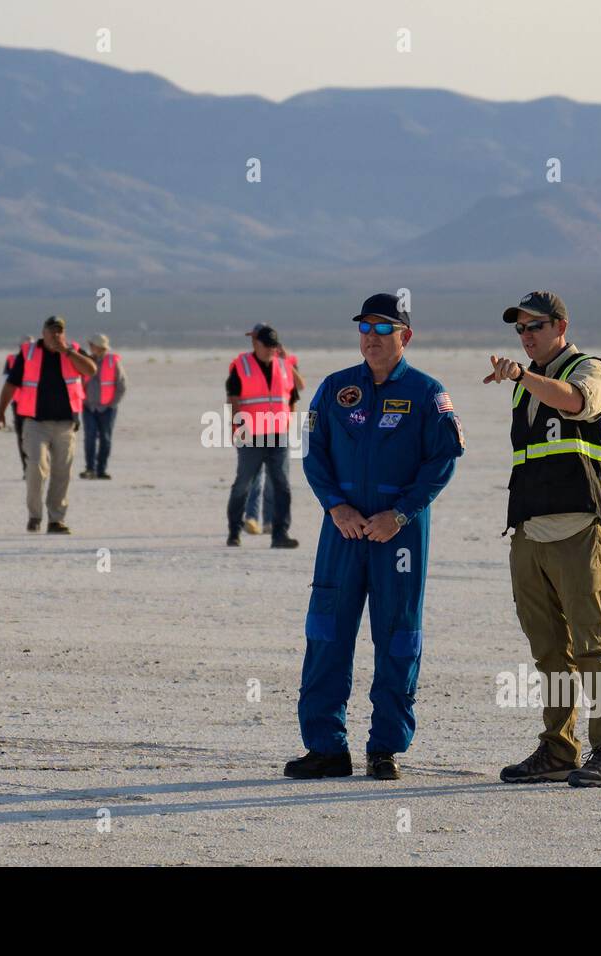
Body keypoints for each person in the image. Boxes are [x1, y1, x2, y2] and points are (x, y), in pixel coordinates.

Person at [285, 293, 464, 781]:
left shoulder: (428, 394)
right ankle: (326, 748)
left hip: (397, 536)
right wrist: (336, 506)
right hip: (342, 531)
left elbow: (441, 462)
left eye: (384, 329)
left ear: (406, 335)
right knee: (326, 633)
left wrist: (401, 514)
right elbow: (314, 453)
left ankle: (385, 748)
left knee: (398, 636)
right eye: (365, 327)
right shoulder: (336, 388)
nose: (372, 337)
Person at [486, 291, 601, 788]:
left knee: (590, 645)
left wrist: (524, 375)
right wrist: (523, 380)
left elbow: (576, 403)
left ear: (561, 325)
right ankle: (558, 748)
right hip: (529, 533)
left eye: (536, 326)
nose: (527, 336)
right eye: (520, 329)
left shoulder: (589, 369)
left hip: (575, 531)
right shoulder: (523, 387)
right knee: (548, 649)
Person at [0, 315, 97, 534]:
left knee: (62, 472)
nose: (55, 335)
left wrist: (67, 352)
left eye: (59, 331)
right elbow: (11, 384)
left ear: (64, 333)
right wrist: (0, 411)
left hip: (66, 424)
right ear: (43, 332)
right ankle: (34, 515)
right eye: (51, 331)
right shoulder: (29, 352)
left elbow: (90, 370)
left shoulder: (73, 351)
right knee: (36, 468)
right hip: (35, 423)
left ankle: (56, 520)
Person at [224, 325, 299, 548]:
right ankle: (234, 532)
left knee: (282, 485)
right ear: (256, 345)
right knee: (243, 485)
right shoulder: (241, 366)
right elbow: (234, 400)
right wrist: (237, 426)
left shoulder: (284, 367)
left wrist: (287, 423)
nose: (270, 350)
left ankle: (280, 535)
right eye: (266, 346)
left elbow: (292, 397)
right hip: (251, 435)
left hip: (278, 435)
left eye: (273, 346)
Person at [243, 330, 305, 534]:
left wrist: (285, 361)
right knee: (255, 476)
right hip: (254, 427)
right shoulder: (249, 365)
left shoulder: (285, 365)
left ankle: (269, 521)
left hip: (279, 429)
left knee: (274, 478)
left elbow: (295, 393)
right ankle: (251, 518)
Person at [79, 333, 126, 480]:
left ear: (99, 347)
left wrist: (112, 404)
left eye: (92, 345)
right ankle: (90, 469)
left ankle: (101, 470)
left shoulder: (113, 362)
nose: (90, 347)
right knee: (90, 438)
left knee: (105, 439)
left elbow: (122, 385)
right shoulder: (85, 361)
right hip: (88, 407)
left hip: (107, 409)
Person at [5, 335, 34, 477]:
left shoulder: (39, 359)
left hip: (37, 404)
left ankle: (37, 468)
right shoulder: (11, 359)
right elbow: (7, 382)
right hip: (19, 404)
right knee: (22, 437)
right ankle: (27, 469)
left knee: (39, 437)